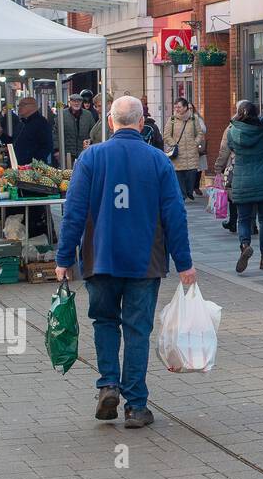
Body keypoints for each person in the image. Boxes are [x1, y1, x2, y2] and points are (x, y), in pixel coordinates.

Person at [53, 96, 195, 429]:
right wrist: (185, 263)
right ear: (141, 122)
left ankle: (107, 385)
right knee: (136, 330)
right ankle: (136, 405)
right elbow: (175, 215)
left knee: (104, 322)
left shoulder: (91, 157)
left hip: (100, 258)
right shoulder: (158, 161)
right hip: (145, 261)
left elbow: (73, 212)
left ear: (112, 122)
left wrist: (63, 258)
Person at [227, 101, 263, 273]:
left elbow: (230, 147)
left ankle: (245, 245)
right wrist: (257, 118)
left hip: (242, 181)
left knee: (243, 218)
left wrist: (242, 117)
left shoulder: (232, 131)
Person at [214, 100, 253, 235]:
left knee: (233, 194)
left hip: (236, 165)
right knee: (251, 195)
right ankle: (252, 224)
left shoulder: (232, 127)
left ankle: (233, 221)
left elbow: (224, 149)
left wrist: (218, 168)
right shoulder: (259, 126)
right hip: (255, 167)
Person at [164, 98, 205, 201]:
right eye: (175, 107)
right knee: (179, 175)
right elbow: (166, 135)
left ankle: (189, 191)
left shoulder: (194, 119)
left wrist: (195, 143)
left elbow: (200, 133)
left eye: (179, 107)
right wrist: (174, 144)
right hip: (178, 153)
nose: (176, 109)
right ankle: (182, 195)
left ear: (186, 107)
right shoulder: (172, 120)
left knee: (191, 174)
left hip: (192, 152)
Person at [57, 93, 99, 166]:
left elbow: (93, 131)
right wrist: (57, 149)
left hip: (84, 152)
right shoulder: (62, 114)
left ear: (81, 102)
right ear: (69, 102)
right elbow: (56, 132)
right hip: (67, 153)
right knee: (67, 174)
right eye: (74, 101)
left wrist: (90, 143)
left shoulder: (88, 114)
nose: (76, 103)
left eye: (79, 101)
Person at [11, 95, 54, 166]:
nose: (19, 108)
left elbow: (47, 146)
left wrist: (34, 163)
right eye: (19, 105)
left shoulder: (41, 123)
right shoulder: (21, 123)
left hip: (32, 168)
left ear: (32, 106)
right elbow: (13, 141)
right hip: (18, 165)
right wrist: (1, 134)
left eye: (22, 105)